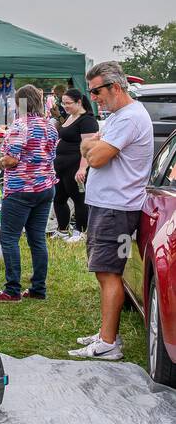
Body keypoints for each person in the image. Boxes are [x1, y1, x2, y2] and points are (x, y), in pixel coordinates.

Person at [69, 60, 155, 360]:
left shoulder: (129, 118)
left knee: (108, 273)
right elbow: (90, 148)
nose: (93, 98)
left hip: (115, 208)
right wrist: (93, 146)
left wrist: (95, 146)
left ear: (115, 87)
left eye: (96, 91)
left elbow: (96, 158)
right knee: (104, 272)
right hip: (110, 206)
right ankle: (108, 334)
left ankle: (108, 343)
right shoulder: (121, 116)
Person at [0, 85, 58, 304]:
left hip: (21, 188)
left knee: (9, 237)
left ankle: (12, 289)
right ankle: (38, 288)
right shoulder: (51, 126)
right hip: (45, 187)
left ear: (20, 103)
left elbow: (12, 160)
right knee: (37, 239)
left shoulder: (20, 125)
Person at [51, 88, 96, 241]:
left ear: (79, 102)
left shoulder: (87, 120)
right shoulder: (70, 117)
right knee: (59, 198)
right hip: (61, 166)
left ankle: (80, 232)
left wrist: (83, 168)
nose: (65, 106)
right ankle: (62, 230)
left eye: (68, 103)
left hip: (75, 165)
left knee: (78, 199)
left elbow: (89, 146)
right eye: (63, 103)